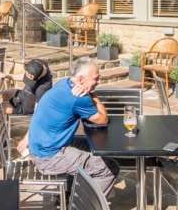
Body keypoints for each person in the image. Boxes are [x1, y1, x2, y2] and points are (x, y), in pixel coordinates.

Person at [17, 57, 119, 194]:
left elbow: (41, 113)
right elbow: (103, 119)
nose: (99, 82)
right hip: (49, 157)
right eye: (96, 78)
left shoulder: (63, 83)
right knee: (108, 168)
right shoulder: (79, 97)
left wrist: (26, 138)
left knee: (90, 146)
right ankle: (83, 209)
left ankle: (68, 194)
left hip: (40, 148)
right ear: (81, 80)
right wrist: (93, 95)